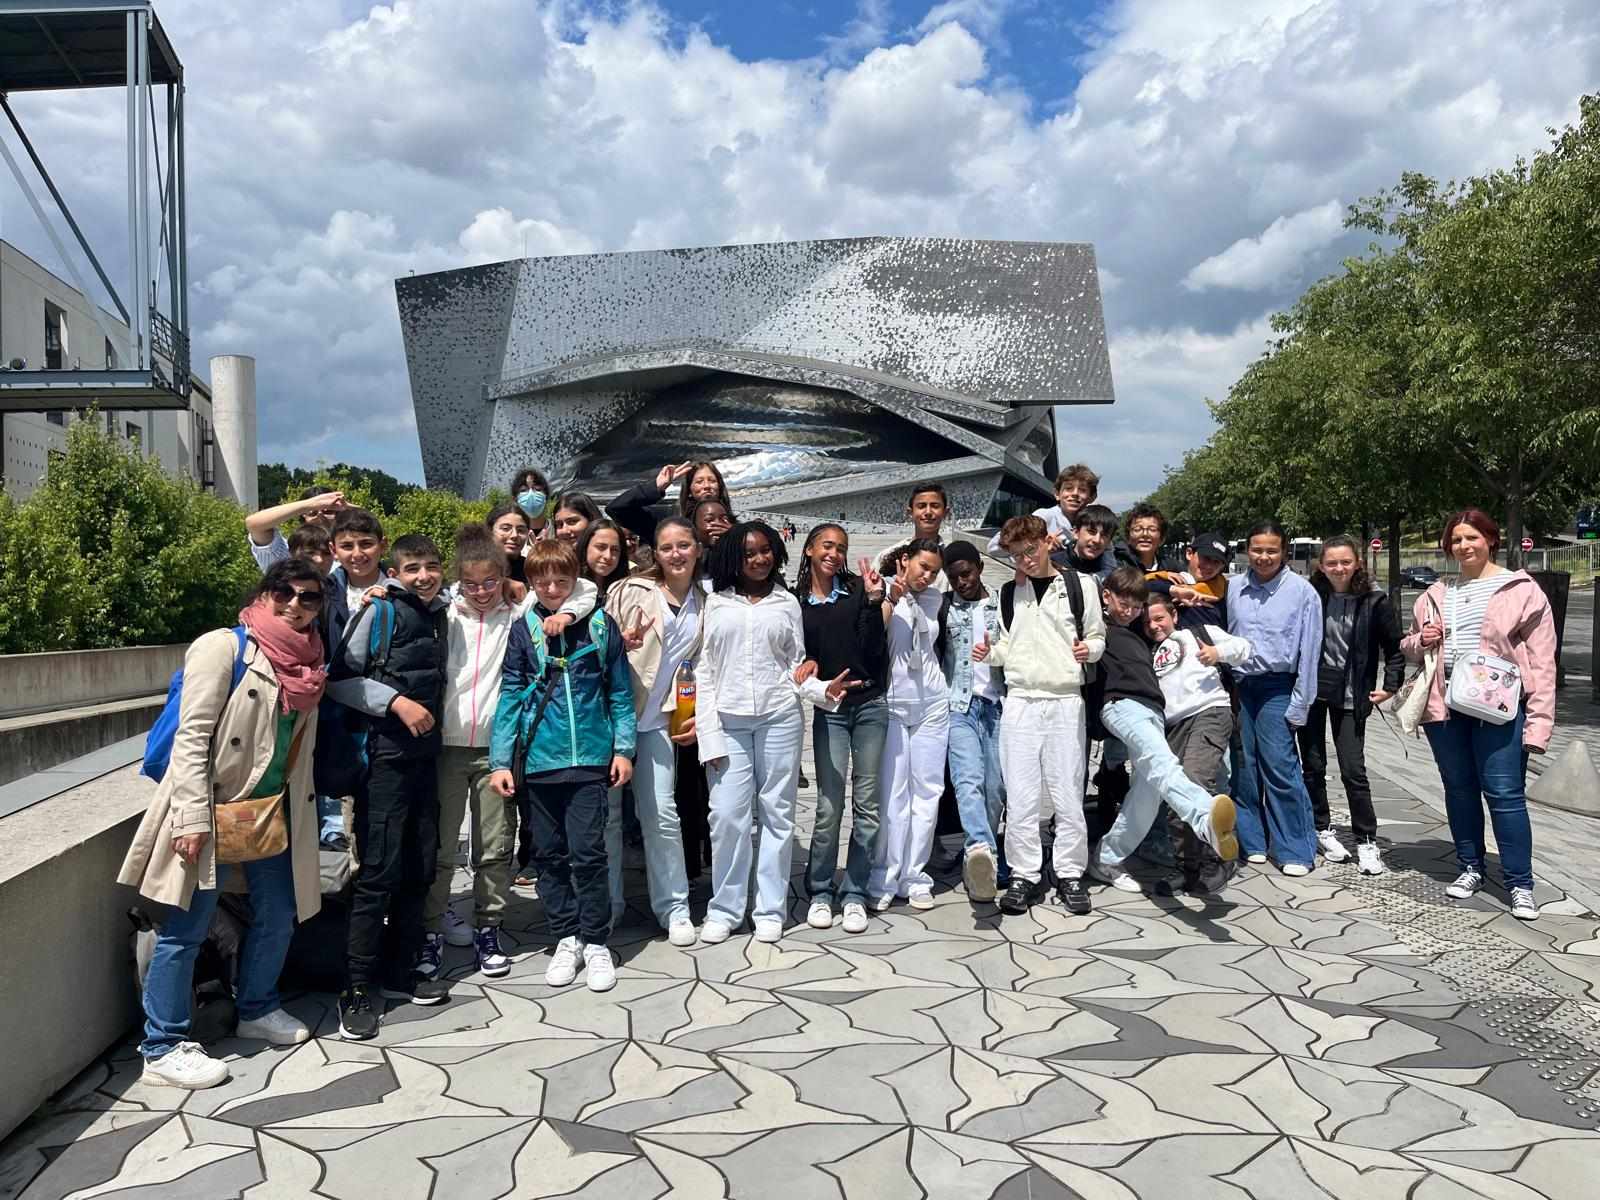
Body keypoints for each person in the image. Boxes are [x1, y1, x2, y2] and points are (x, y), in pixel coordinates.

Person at [118, 559, 329, 1088]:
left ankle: (256, 1007)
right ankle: (162, 1044)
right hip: (211, 811)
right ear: (265, 591)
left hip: (267, 812)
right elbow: (192, 737)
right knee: (186, 927)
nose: (295, 604)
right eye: (285, 591)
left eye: (310, 597)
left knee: (279, 914)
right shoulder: (223, 646)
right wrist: (190, 817)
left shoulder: (311, 658)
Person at [422, 526, 598, 982]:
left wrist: (565, 609)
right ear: (459, 582)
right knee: (442, 846)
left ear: (504, 578)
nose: (481, 592)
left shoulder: (520, 615)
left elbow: (584, 588)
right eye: (472, 583)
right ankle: (430, 929)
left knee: (495, 848)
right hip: (446, 746)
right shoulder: (444, 613)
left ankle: (488, 927)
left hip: (499, 751)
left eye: (491, 581)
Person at [696, 520, 852, 943]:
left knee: (778, 815)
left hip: (779, 717)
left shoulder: (786, 603)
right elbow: (705, 670)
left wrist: (821, 688)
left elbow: (795, 666)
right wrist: (708, 733)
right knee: (727, 815)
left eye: (765, 550)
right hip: (728, 721)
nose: (759, 559)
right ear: (734, 558)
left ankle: (769, 907)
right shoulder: (715, 603)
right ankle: (726, 908)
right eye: (749, 553)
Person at [490, 539, 636, 990]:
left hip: (590, 757)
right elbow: (511, 694)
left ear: (575, 579)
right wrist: (501, 761)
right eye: (543, 580)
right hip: (539, 760)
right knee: (549, 857)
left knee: (589, 854)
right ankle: (566, 936)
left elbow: (619, 692)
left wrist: (623, 749)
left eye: (562, 580)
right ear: (531, 581)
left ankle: (595, 941)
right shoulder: (523, 629)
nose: (552, 588)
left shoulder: (599, 624)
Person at [1402, 509, 1558, 921]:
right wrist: (1422, 639)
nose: (1464, 546)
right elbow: (1410, 647)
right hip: (1446, 704)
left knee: (1505, 795)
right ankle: (1470, 867)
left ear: (1490, 539)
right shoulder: (1435, 593)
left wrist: (1539, 723)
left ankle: (1520, 883)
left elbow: (1543, 662)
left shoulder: (1520, 590)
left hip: (1499, 707)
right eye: (1456, 540)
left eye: (1472, 537)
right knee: (1458, 789)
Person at [326, 533, 452, 1039]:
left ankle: (400, 972)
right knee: (378, 872)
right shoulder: (378, 613)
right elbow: (337, 677)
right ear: (395, 572)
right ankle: (356, 987)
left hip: (427, 760)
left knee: (419, 867)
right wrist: (395, 703)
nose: (423, 576)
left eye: (431, 566)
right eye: (412, 568)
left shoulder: (444, 613)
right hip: (385, 759)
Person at [976, 514, 1105, 915]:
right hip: (1020, 701)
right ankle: (1024, 873)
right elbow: (1006, 644)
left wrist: (1091, 650)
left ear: (1047, 542)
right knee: (1021, 793)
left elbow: (1098, 635)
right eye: (1016, 555)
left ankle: (1069, 872)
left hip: (1065, 699)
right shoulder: (1008, 593)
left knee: (1068, 791)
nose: (1025, 561)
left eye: (1030, 551)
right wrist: (990, 653)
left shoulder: (1080, 586)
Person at [1087, 568, 1240, 895]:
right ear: (1105, 597)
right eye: (1121, 603)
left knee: (1148, 793)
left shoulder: (1143, 633)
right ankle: (1204, 819)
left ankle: (1106, 858)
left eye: (1134, 606)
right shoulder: (1098, 625)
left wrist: (1172, 593)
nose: (1128, 611)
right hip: (1122, 704)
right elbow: (1086, 585)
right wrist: (1174, 591)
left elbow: (1150, 591)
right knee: (1164, 764)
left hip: (1155, 712)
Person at [605, 517, 706, 946]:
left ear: (696, 549)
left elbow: (703, 667)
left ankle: (674, 907)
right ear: (656, 554)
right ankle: (606, 906)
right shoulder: (631, 591)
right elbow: (597, 643)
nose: (676, 554)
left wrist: (696, 712)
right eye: (667, 548)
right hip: (613, 721)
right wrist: (618, 643)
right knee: (607, 818)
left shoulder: (707, 602)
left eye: (683, 545)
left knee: (662, 814)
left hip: (660, 723)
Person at [795, 523, 889, 933]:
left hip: (869, 705)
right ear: (809, 550)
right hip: (831, 709)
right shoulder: (796, 602)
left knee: (867, 806)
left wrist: (872, 602)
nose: (834, 553)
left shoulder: (856, 591)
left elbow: (873, 650)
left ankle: (853, 891)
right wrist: (811, 662)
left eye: (841, 548)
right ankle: (819, 889)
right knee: (829, 805)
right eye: (827, 546)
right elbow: (801, 650)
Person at [1298, 535, 1404, 874]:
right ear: (1321, 566)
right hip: (1313, 692)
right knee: (1313, 765)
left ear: (1357, 562)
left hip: (1350, 696)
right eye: (1331, 563)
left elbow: (1394, 648)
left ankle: (1366, 840)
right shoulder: (1312, 596)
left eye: (1345, 562)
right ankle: (1322, 828)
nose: (1339, 568)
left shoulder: (1374, 601)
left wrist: (1390, 687)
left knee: (1353, 770)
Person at [1227, 520, 1322, 875]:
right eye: (1257, 549)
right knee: (1244, 766)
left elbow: (1310, 651)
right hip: (1241, 685)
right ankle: (1252, 841)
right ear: (1247, 550)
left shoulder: (1302, 592)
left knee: (1280, 767)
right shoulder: (1234, 587)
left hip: (1278, 686)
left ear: (1283, 552)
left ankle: (1295, 847)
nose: (1263, 557)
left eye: (1271, 550)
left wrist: (1301, 703)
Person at [1144, 592, 1251, 893]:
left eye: (1159, 618)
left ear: (1174, 616)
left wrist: (1217, 654)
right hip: (1172, 724)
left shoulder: (1196, 634)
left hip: (1209, 712)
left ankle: (1216, 860)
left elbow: (1243, 647)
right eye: (1147, 621)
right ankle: (1185, 866)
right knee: (1175, 793)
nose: (1154, 625)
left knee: (1195, 780)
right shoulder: (1148, 651)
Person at [870, 541, 950, 911]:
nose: (927, 575)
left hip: (932, 702)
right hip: (893, 703)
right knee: (893, 794)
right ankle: (885, 874)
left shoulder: (935, 599)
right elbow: (870, 638)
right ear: (905, 560)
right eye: (922, 566)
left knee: (928, 791)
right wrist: (890, 597)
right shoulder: (882, 589)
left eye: (933, 570)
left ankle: (915, 875)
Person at [937, 541, 1006, 902]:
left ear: (980, 567)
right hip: (959, 706)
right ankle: (979, 848)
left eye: (966, 573)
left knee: (996, 788)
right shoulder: (945, 607)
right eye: (953, 577)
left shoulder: (1003, 604)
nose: (961, 582)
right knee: (968, 781)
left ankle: (986, 859)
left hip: (997, 705)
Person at [987, 464, 1098, 559]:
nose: (1075, 494)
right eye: (1068, 488)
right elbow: (994, 547)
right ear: (1057, 494)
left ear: (1092, 497)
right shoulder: (1044, 517)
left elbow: (1108, 565)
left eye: (1082, 490)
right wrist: (1038, 544)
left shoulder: (1095, 523)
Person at [608, 461, 733, 545]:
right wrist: (655, 487)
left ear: (720, 487)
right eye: (699, 482)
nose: (706, 486)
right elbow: (617, 509)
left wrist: (734, 538)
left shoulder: (732, 526)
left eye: (712, 481)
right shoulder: (666, 518)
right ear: (689, 490)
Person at [244, 487, 346, 571]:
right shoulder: (286, 554)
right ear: (302, 516)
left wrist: (350, 509)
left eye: (328, 511)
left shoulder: (351, 552)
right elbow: (254, 524)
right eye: (312, 512)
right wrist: (309, 504)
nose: (320, 516)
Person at [1051, 503, 1118, 581]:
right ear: (1076, 532)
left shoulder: (1111, 576)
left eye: (1104, 535)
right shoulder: (1053, 564)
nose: (1097, 540)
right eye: (1091, 532)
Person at [579, 518, 629, 601]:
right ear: (585, 547)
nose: (608, 556)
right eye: (601, 547)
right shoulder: (569, 587)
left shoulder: (627, 592)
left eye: (614, 550)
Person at [485, 503, 532, 584]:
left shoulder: (532, 571)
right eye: (506, 529)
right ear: (489, 531)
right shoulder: (475, 567)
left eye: (520, 530)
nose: (514, 535)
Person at [1118, 503, 1169, 573]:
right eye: (1138, 529)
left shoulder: (1172, 567)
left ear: (1162, 538)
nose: (1145, 534)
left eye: (1152, 529)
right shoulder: (1117, 563)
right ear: (1128, 536)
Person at [509, 467, 552, 538]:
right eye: (523, 490)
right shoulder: (510, 536)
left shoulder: (559, 531)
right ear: (515, 499)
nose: (531, 494)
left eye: (537, 489)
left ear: (546, 497)